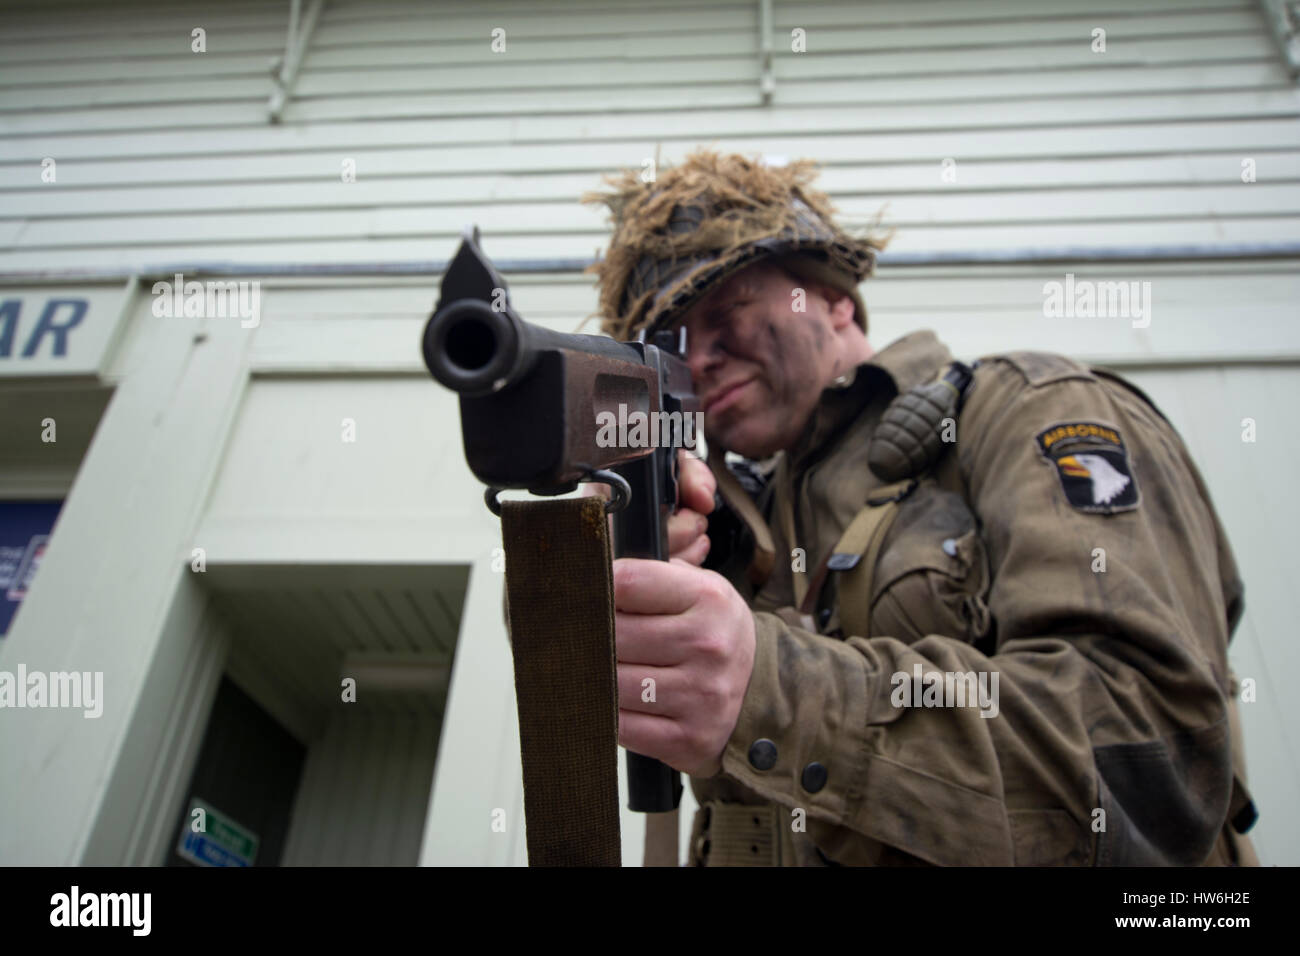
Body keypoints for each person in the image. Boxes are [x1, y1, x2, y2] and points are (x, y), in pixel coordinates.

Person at [582, 148, 1259, 866]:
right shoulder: (725, 526)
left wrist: (769, 690)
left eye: (725, 310)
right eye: (674, 343)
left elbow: (1151, 755)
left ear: (835, 297)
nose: (704, 357)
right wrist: (600, 551)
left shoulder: (1022, 413)